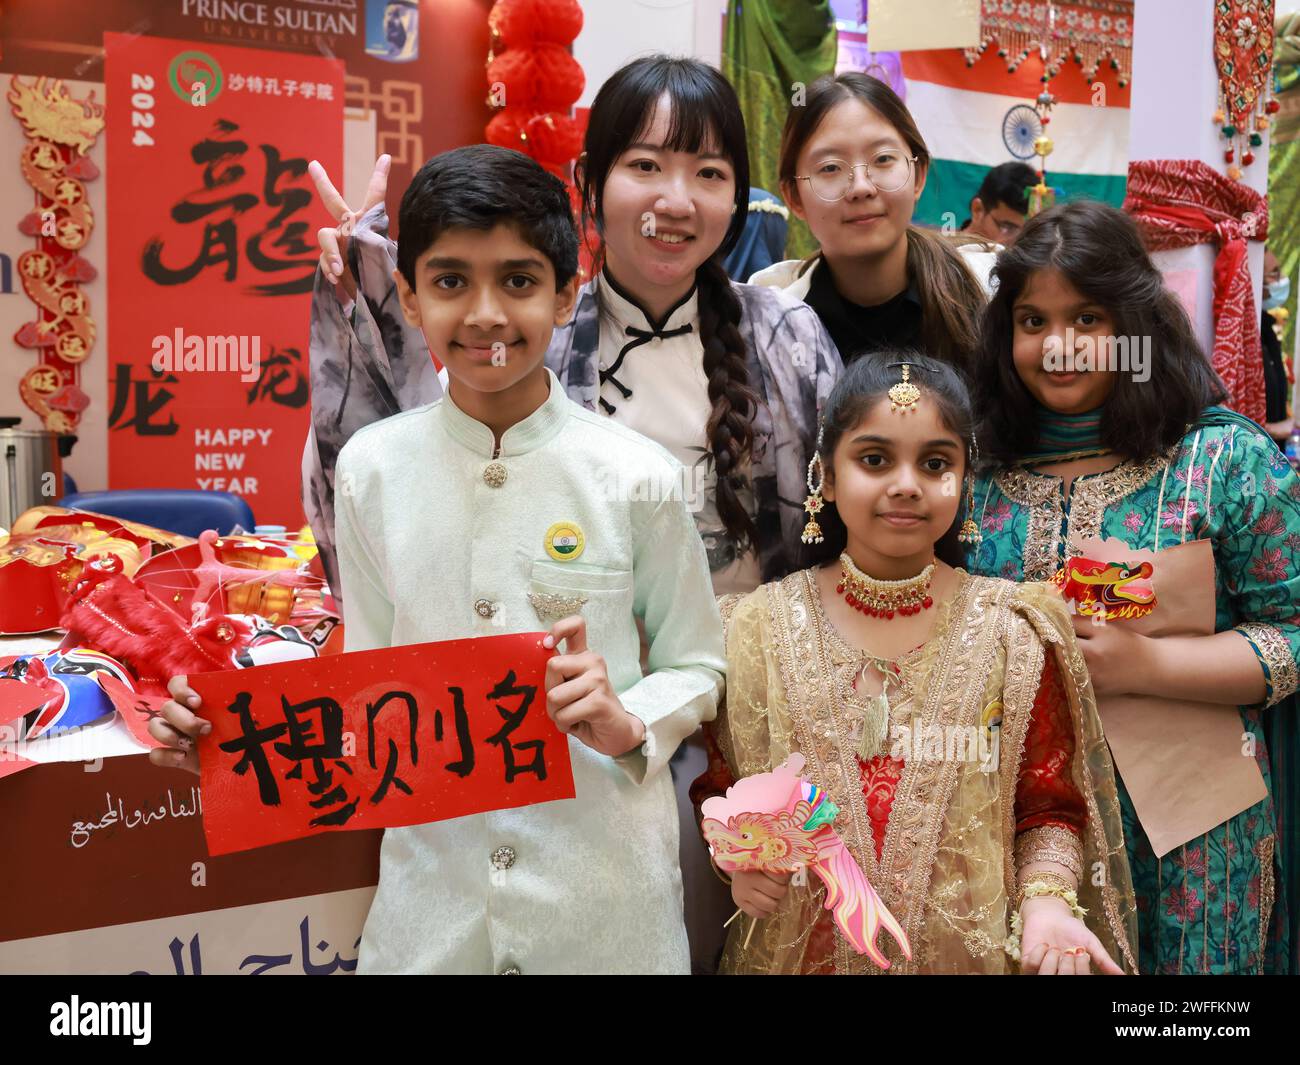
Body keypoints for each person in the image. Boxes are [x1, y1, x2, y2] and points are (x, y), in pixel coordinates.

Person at [149, 145, 725, 975]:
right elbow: (369, 674)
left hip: (603, 905)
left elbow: (698, 660)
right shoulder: (373, 468)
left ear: (567, 293)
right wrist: (225, 738)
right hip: (432, 908)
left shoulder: (637, 475)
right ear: (411, 298)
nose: (486, 313)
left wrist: (630, 716)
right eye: (451, 281)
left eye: (520, 281)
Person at [305, 55, 841, 603]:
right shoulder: (533, 336)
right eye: (646, 166)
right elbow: (404, 477)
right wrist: (370, 304)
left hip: (761, 674)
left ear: (736, 198)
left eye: (709, 173)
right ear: (589, 179)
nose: (676, 202)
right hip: (574, 673)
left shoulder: (788, 336)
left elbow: (850, 521)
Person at [693, 352, 1137, 974]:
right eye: (874, 460)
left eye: (935, 464)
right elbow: (722, 791)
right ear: (824, 475)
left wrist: (1047, 905)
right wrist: (739, 864)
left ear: (966, 481)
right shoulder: (752, 630)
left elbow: (1048, 808)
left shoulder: (1014, 632)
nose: (906, 483)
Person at [967, 199, 1299, 974]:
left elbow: (1294, 630)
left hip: (1197, 839)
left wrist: (1146, 666)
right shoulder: (975, 475)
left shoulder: (1219, 461)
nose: (1059, 346)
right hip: (1015, 827)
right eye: (1032, 319)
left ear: (1137, 327)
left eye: (1088, 319)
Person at [749, 72, 993, 371]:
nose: (861, 187)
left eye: (882, 159)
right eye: (830, 168)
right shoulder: (772, 326)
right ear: (794, 196)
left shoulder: (987, 294)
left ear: (918, 174)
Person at [959, 161, 1039, 245]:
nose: (1016, 242)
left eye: (1027, 233)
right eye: (1008, 228)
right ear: (977, 210)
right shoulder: (946, 256)